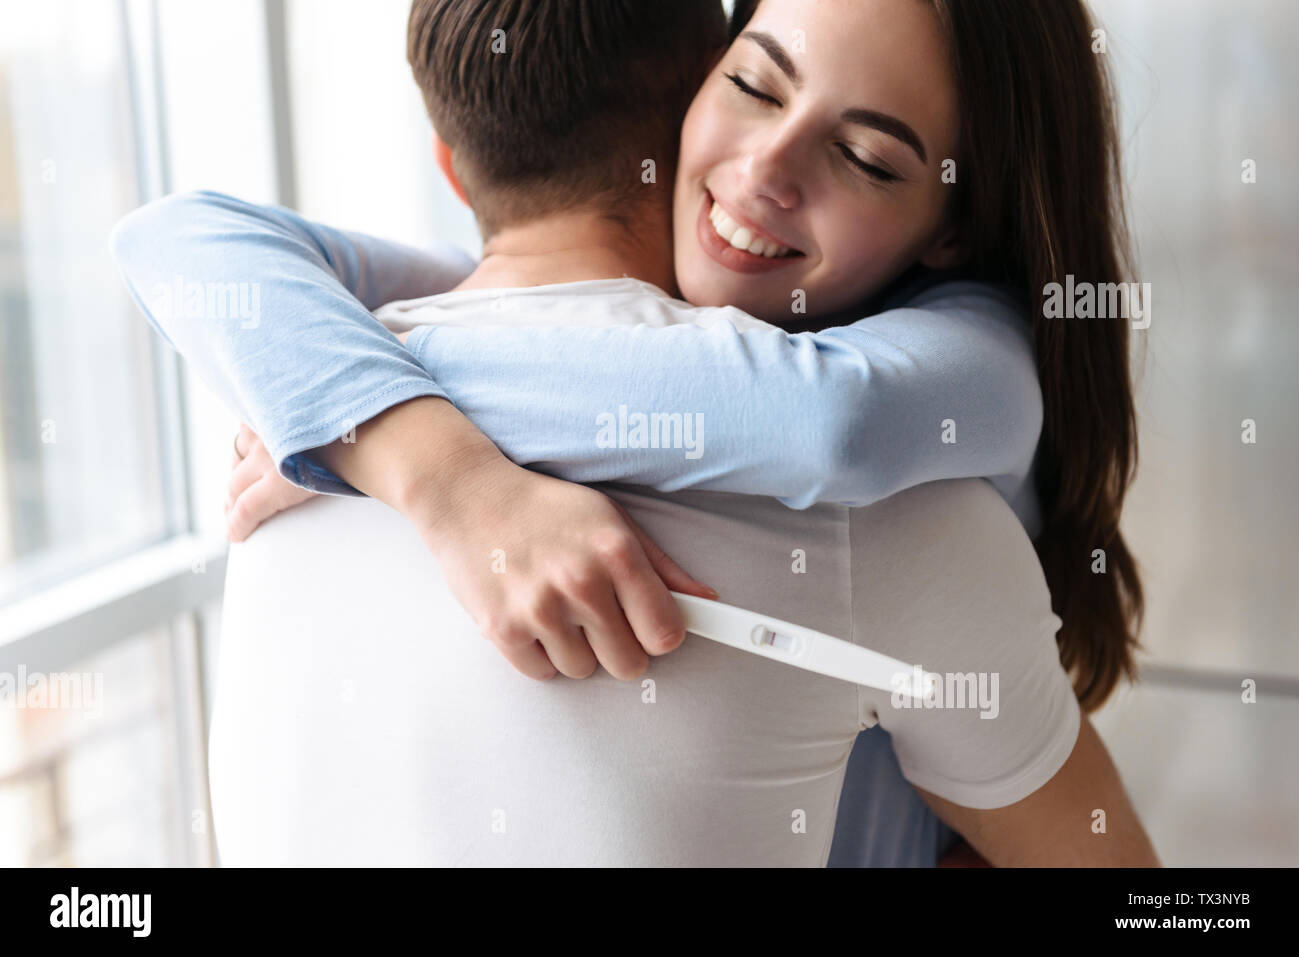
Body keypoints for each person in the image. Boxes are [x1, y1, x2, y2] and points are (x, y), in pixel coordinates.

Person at [112, 0, 1154, 865]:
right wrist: (380, 422)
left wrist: (387, 428)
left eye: (868, 157)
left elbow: (830, 420)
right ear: (692, 93)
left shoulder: (958, 380)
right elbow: (174, 236)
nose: (763, 173)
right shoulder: (338, 374)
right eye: (753, 85)